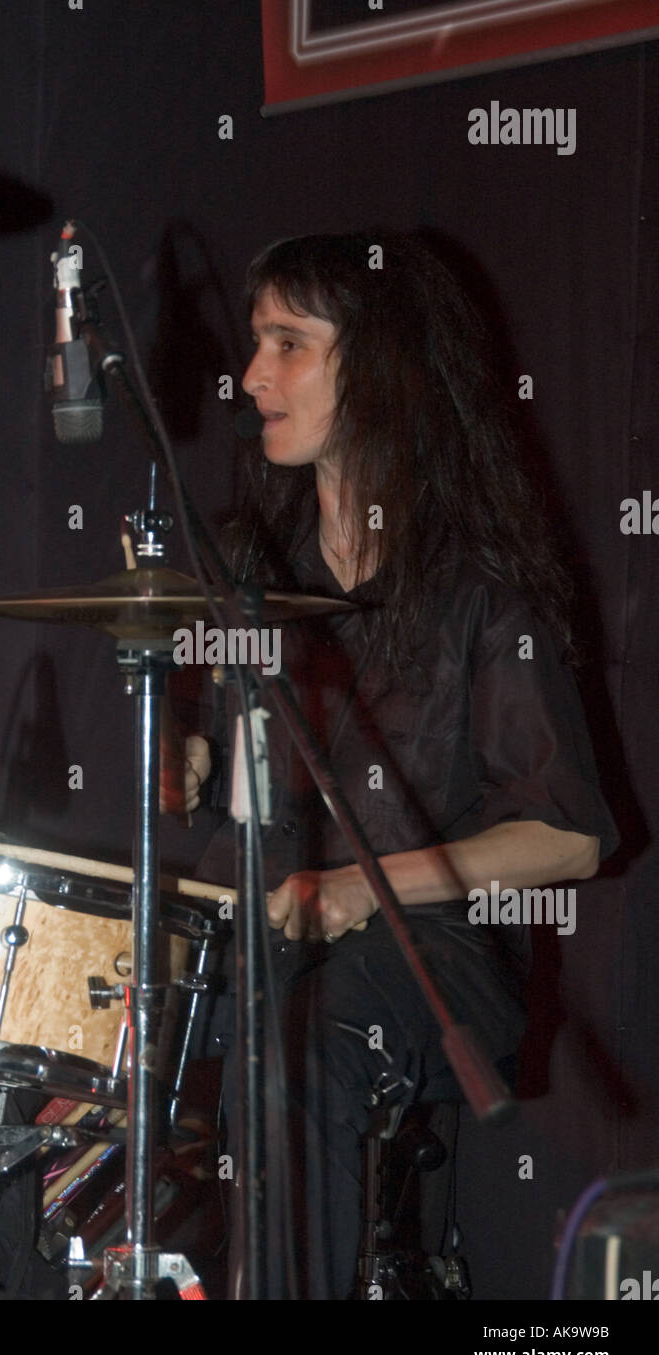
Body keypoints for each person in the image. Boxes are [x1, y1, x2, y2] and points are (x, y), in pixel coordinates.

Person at [161, 231, 618, 1300]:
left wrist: (363, 886)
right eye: (256, 340)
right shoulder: (254, 573)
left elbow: (570, 833)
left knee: (295, 1056)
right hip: (266, 915)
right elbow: (242, 786)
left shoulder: (477, 591)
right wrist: (195, 755)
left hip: (434, 951)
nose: (253, 372)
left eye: (290, 342)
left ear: (377, 368)